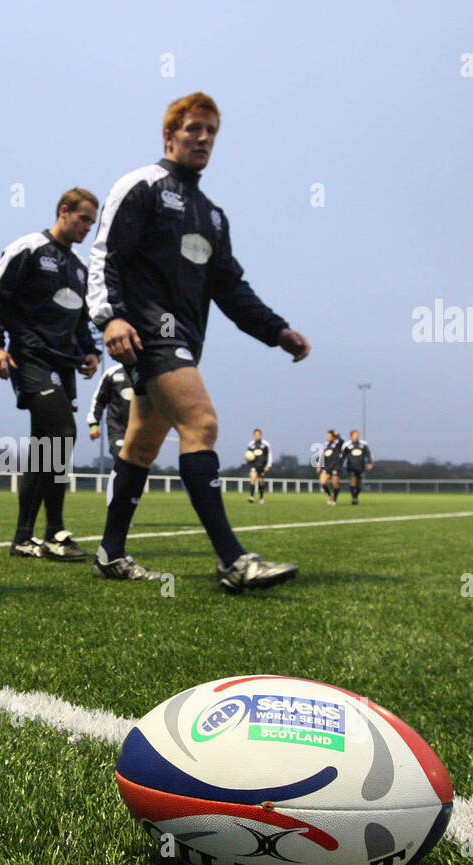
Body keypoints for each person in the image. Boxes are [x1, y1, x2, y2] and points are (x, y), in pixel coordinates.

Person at [86, 92, 310, 591]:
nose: (203, 138)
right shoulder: (140, 186)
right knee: (201, 423)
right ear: (170, 135)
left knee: (141, 446)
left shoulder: (212, 215)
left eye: (211, 131)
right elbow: (105, 258)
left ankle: (109, 552)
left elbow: (230, 286)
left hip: (185, 338)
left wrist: (276, 330)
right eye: (193, 128)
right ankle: (231, 560)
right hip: (147, 333)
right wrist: (110, 319)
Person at [0, 188, 101, 561]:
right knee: (63, 434)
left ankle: (35, 537)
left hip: (64, 365)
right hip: (29, 358)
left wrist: (90, 352)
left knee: (46, 449)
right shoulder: (28, 247)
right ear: (63, 212)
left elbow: (81, 319)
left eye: (93, 224)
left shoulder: (79, 267)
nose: (87, 229)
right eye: (83, 220)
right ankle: (47, 534)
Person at [87, 362, 132, 461]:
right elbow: (99, 400)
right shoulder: (112, 373)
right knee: (120, 457)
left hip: (141, 428)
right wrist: (93, 424)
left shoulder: (148, 371)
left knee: (138, 462)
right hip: (118, 428)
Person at [345, 429, 373, 504]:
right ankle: (354, 498)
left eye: (357, 435)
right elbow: (343, 455)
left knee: (359, 483)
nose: (356, 436)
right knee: (353, 482)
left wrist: (370, 462)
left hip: (360, 467)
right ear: (351, 436)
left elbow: (368, 454)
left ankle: (356, 497)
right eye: (355, 435)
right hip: (351, 467)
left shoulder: (363, 445)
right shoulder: (348, 445)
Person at [317, 428, 344, 505]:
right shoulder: (326, 445)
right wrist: (319, 465)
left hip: (336, 466)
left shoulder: (338, 443)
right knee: (323, 482)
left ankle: (334, 500)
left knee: (335, 484)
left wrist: (337, 434)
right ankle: (330, 495)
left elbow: (342, 441)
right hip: (326, 466)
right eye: (327, 436)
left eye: (329, 436)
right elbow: (322, 455)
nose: (327, 437)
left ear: (333, 437)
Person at [245, 428, 272, 503]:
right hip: (253, 465)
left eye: (258, 434)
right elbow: (248, 454)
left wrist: (268, 465)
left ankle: (261, 497)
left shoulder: (265, 444)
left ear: (260, 435)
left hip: (262, 465)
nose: (257, 436)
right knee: (253, 478)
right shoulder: (251, 444)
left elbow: (269, 454)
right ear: (254, 435)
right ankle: (251, 496)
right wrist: (247, 459)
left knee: (261, 481)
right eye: (256, 435)